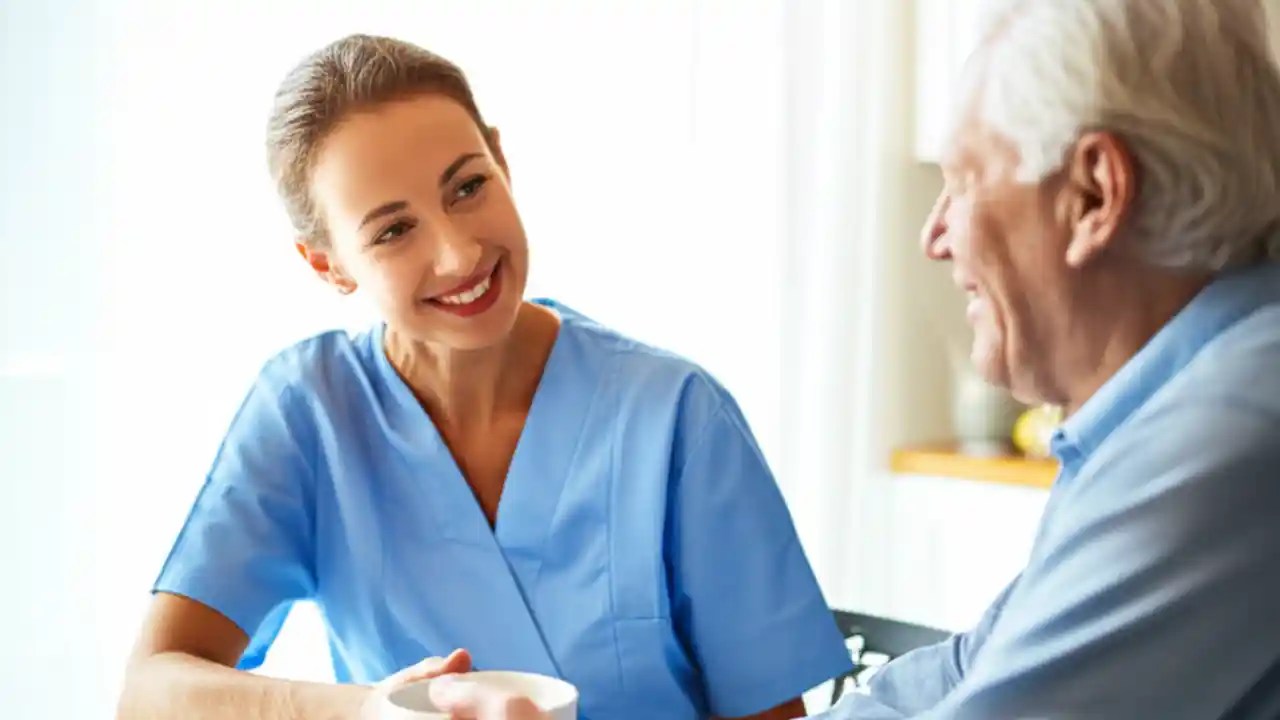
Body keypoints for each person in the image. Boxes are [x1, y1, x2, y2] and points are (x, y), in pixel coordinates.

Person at [428, 0, 1280, 717]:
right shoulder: (1175, 410)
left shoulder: (1232, 431)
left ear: (1093, 194)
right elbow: (964, 668)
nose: (934, 234)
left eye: (965, 182)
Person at [114, 34, 853, 720]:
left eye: (467, 187)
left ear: (500, 159)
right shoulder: (309, 414)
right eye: (394, 230)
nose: (460, 255)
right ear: (328, 263)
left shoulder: (675, 417)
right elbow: (150, 691)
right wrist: (373, 709)